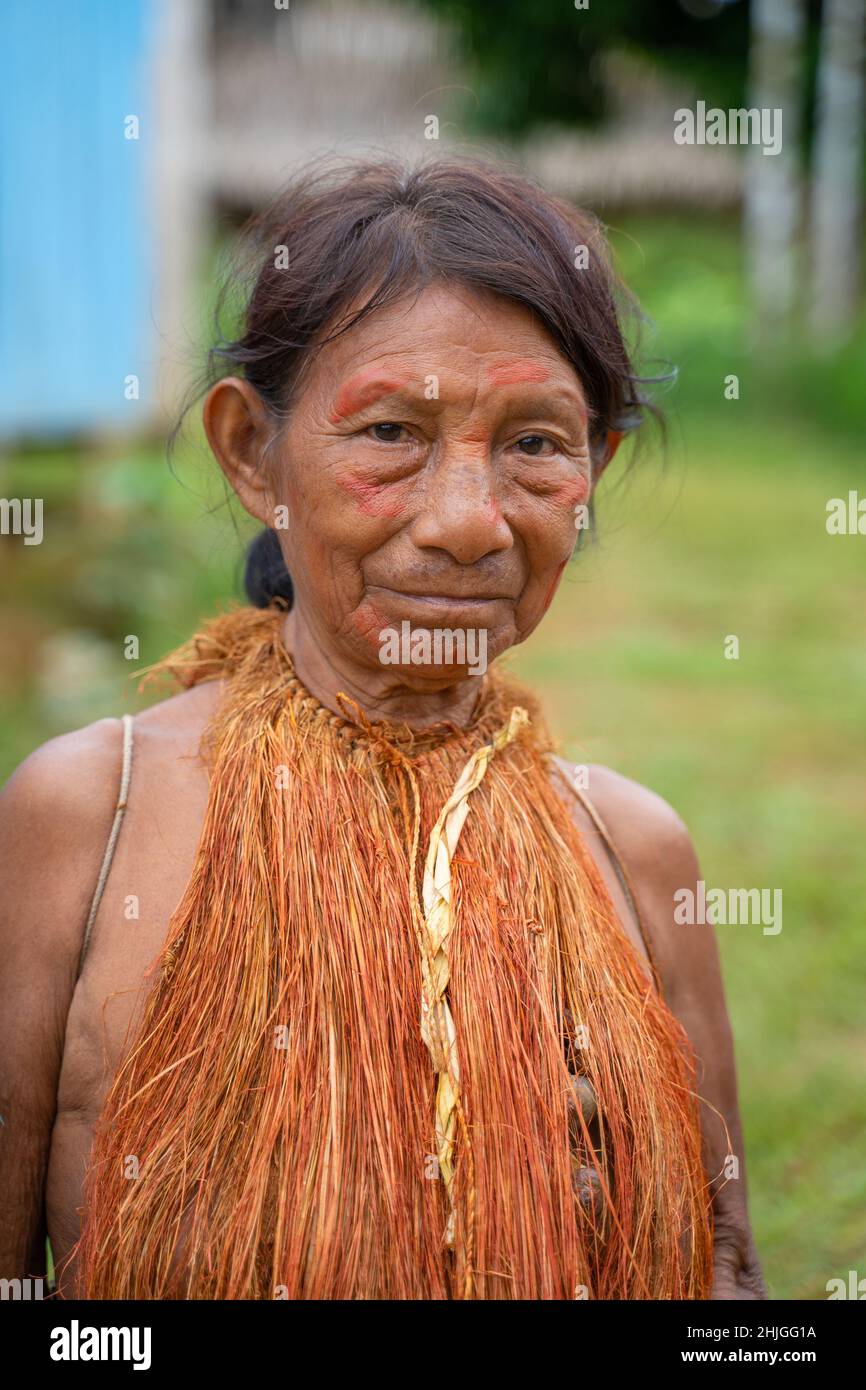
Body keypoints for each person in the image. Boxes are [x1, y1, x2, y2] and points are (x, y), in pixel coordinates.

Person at [0, 158, 765, 1300]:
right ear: (254, 455)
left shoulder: (633, 850)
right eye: (390, 431)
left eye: (536, 445)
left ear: (590, 474)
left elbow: (726, 1278)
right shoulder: (86, 815)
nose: (468, 523)